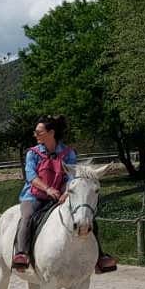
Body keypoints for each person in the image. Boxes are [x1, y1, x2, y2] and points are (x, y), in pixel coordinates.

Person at [12, 115, 117, 273]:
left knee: (88, 218)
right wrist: (47, 189)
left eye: (38, 132)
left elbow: (73, 177)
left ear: (51, 133)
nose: (35, 135)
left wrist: (67, 193)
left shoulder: (68, 153)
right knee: (26, 217)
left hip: (62, 195)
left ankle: (100, 258)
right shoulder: (32, 153)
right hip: (34, 196)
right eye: (36, 132)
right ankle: (22, 254)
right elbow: (31, 176)